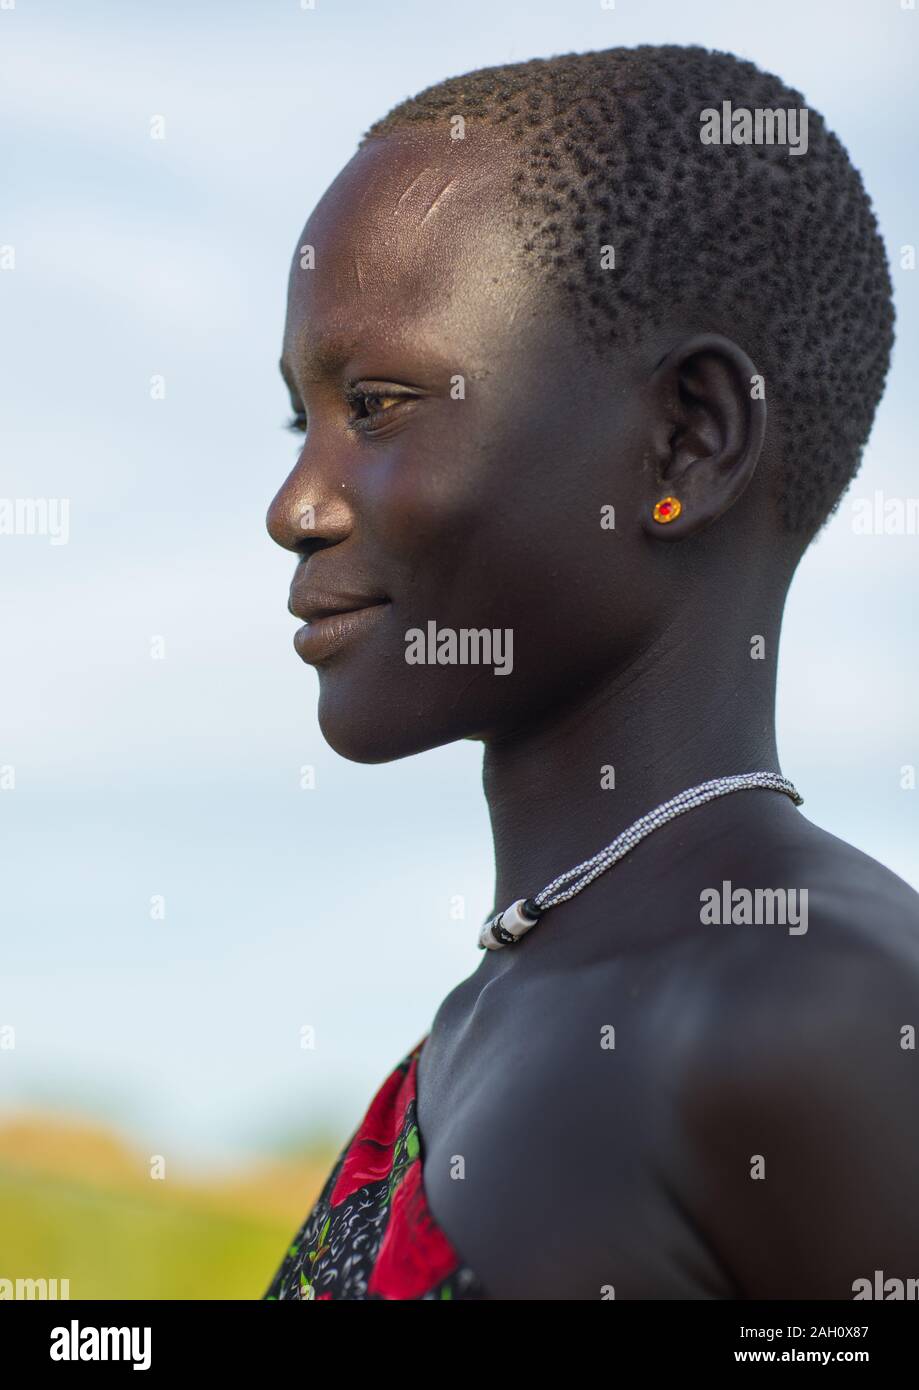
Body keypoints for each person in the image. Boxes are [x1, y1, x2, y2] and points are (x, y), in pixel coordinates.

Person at [262, 45, 919, 1300]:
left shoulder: (807, 1006)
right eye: (305, 420)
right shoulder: (484, 1015)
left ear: (688, 437)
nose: (296, 506)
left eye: (382, 403)